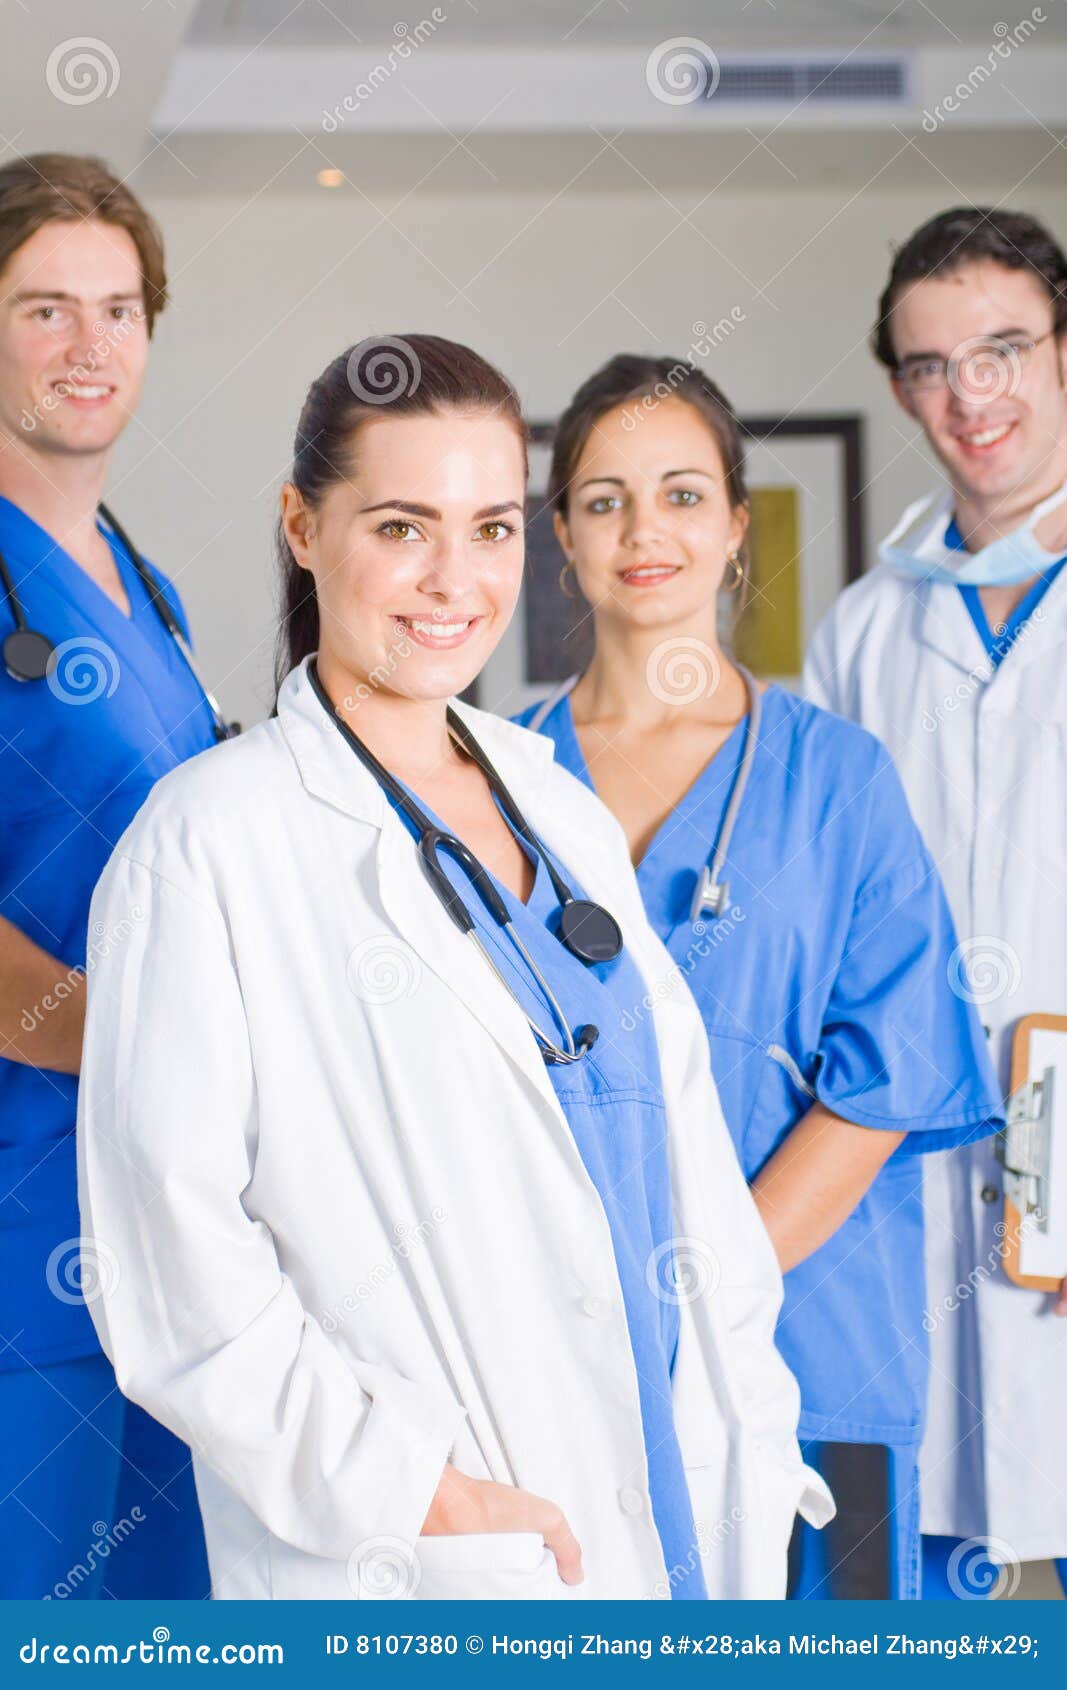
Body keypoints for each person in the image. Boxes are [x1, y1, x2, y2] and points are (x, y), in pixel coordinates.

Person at [76, 333, 832, 1602]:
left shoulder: (557, 806)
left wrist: (748, 1418)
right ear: (302, 529)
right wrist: (405, 1486)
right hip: (437, 1551)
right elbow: (170, 1263)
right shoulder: (208, 842)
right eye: (399, 525)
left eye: (488, 529)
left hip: (683, 1502)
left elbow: (683, 1169)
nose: (451, 580)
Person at [514, 353, 1004, 1600]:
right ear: (560, 532)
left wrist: (697, 1293)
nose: (643, 531)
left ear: (736, 528)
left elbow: (884, 1083)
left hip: (811, 1340)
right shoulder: (493, 786)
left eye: (682, 494)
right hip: (562, 1353)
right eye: (604, 497)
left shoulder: (838, 780)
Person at [804, 207, 1067, 1600]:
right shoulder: (861, 630)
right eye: (925, 366)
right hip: (917, 1162)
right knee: (930, 1537)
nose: (967, 397)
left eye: (1001, 349)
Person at [0, 154, 222, 1598]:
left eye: (119, 309)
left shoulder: (145, 582)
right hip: (28, 1223)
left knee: (169, 1619)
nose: (90, 345)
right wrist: (156, 1052)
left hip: (165, 1207)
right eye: (42, 309)